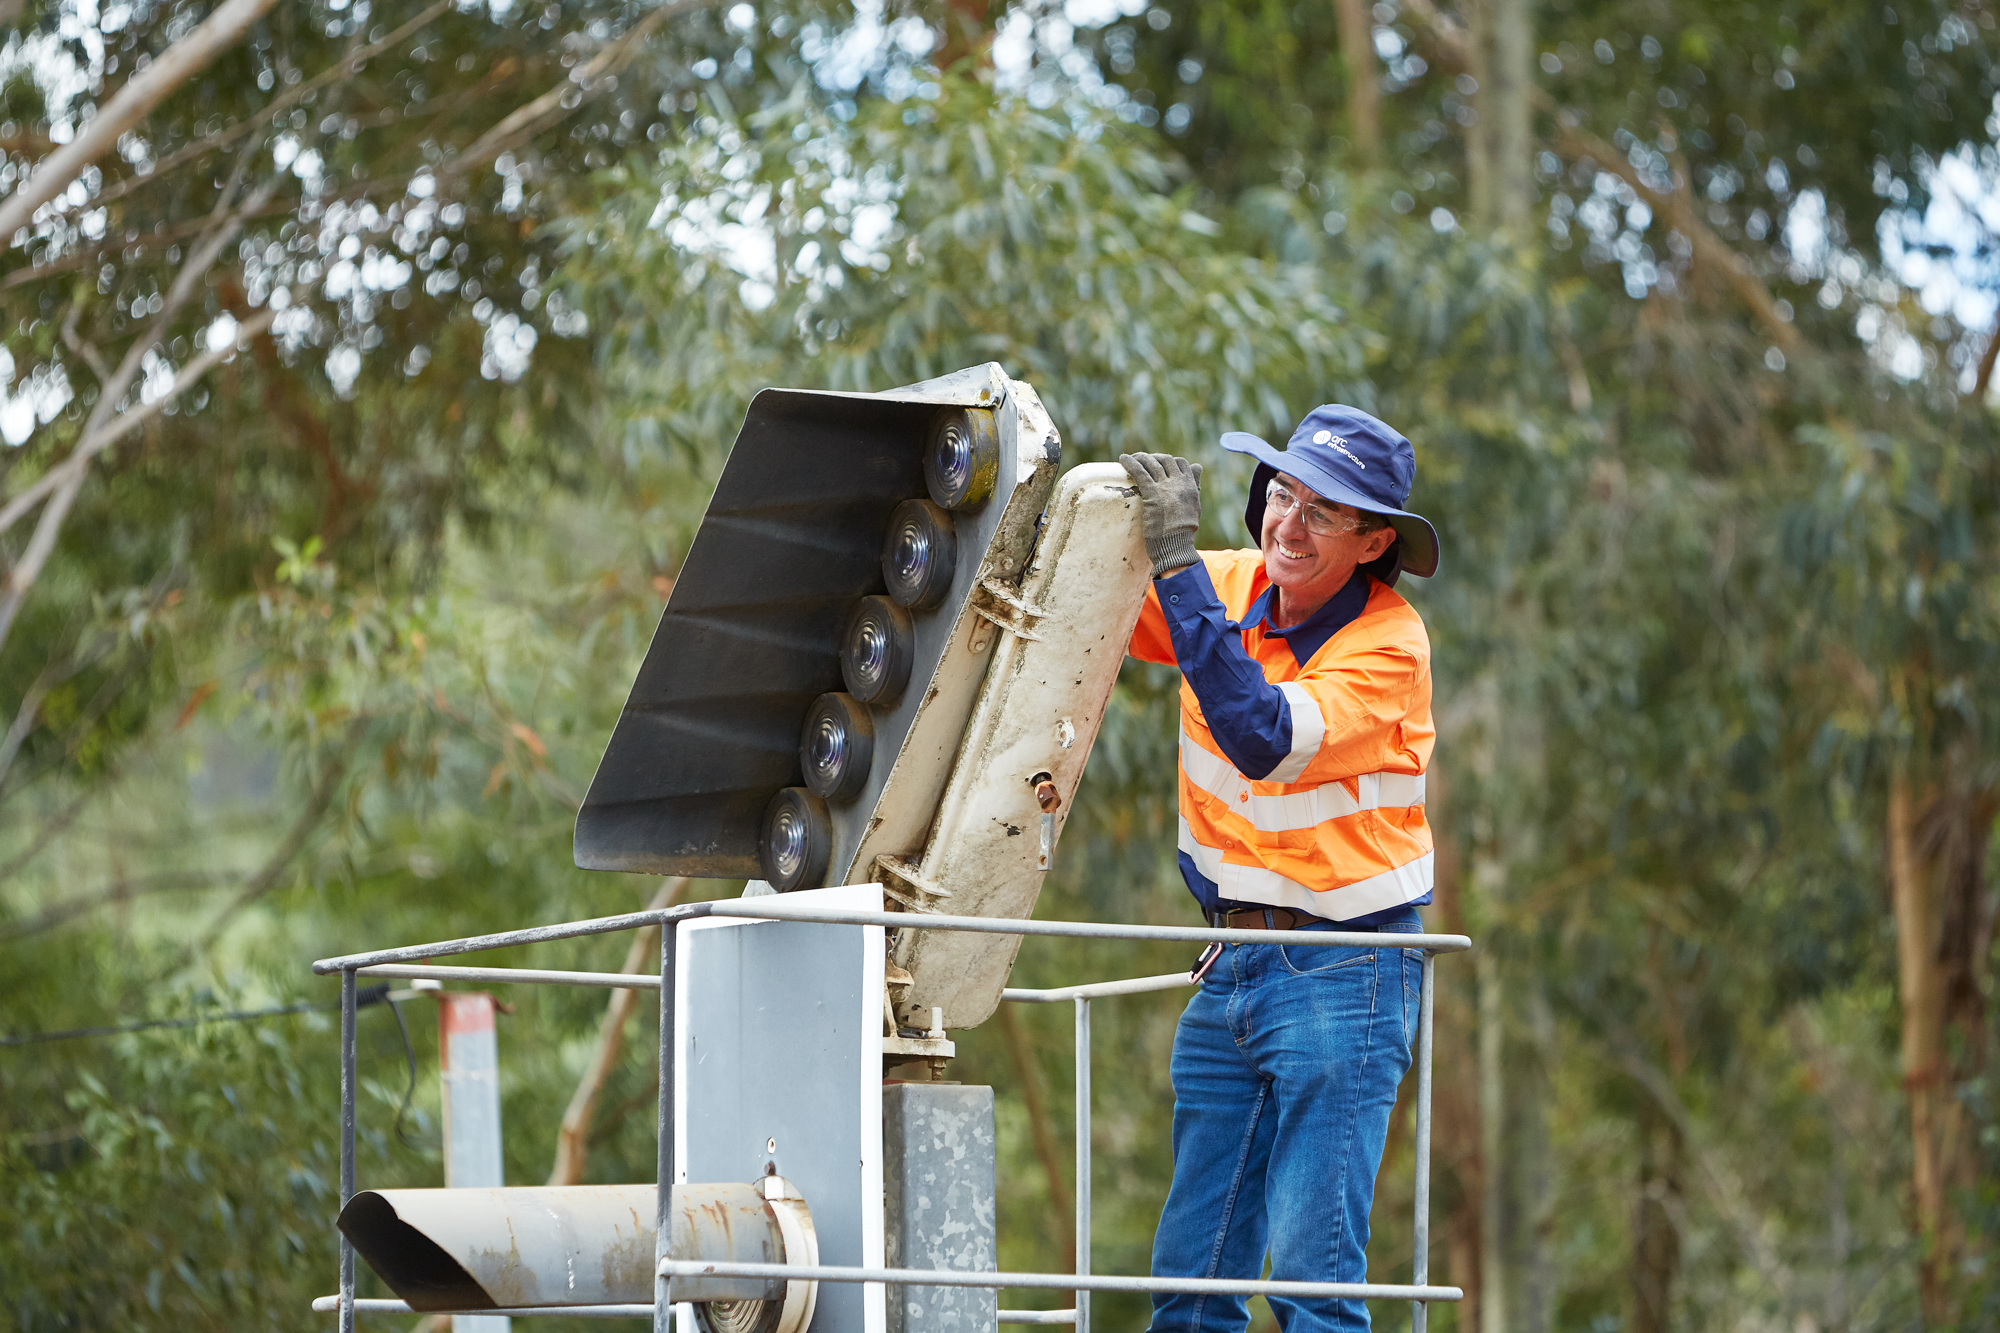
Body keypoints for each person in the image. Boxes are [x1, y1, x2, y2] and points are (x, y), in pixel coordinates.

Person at [1120, 404, 1441, 1333]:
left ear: (1375, 541)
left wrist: (1175, 562)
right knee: (1191, 1284)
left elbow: (1262, 734)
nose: (1287, 526)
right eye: (1283, 494)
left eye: (1323, 513)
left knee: (1313, 1286)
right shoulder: (1225, 585)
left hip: (1349, 971)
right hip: (1231, 968)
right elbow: (1081, 596)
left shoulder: (1388, 649)